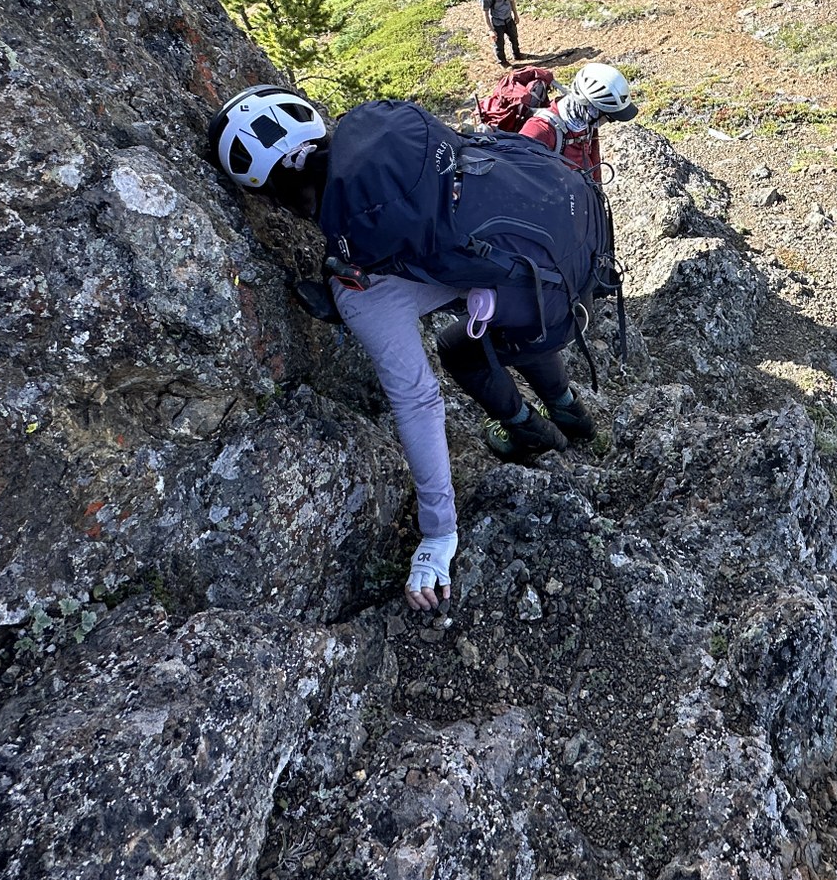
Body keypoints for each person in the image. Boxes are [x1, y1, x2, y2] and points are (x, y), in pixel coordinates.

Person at [207, 86, 595, 611]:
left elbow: (419, 401)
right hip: (557, 250)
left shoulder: (359, 290)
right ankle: (569, 411)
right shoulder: (386, 132)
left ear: (268, 196)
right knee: (508, 297)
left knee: (458, 345)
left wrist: (439, 536)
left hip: (535, 298)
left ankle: (530, 430)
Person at [520, 62, 637, 182]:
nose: (609, 122)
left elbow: (594, 161)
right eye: (608, 117)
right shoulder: (539, 131)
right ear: (589, 106)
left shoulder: (586, 121)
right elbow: (521, 182)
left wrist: (597, 192)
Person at [477, 0, 521, 65]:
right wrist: (490, 30)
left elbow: (511, 0)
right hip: (497, 23)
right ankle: (503, 62)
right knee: (499, 45)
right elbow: (485, 13)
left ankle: (517, 55)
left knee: (514, 38)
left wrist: (516, 15)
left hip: (509, 19)